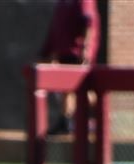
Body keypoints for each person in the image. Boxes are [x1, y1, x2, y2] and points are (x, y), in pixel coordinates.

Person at [38, 0, 100, 136]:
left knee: (80, 90)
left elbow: (87, 21)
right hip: (64, 52)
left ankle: (102, 116)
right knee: (67, 90)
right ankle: (65, 121)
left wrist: (85, 48)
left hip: (77, 52)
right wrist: (48, 51)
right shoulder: (61, 3)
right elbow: (56, 27)